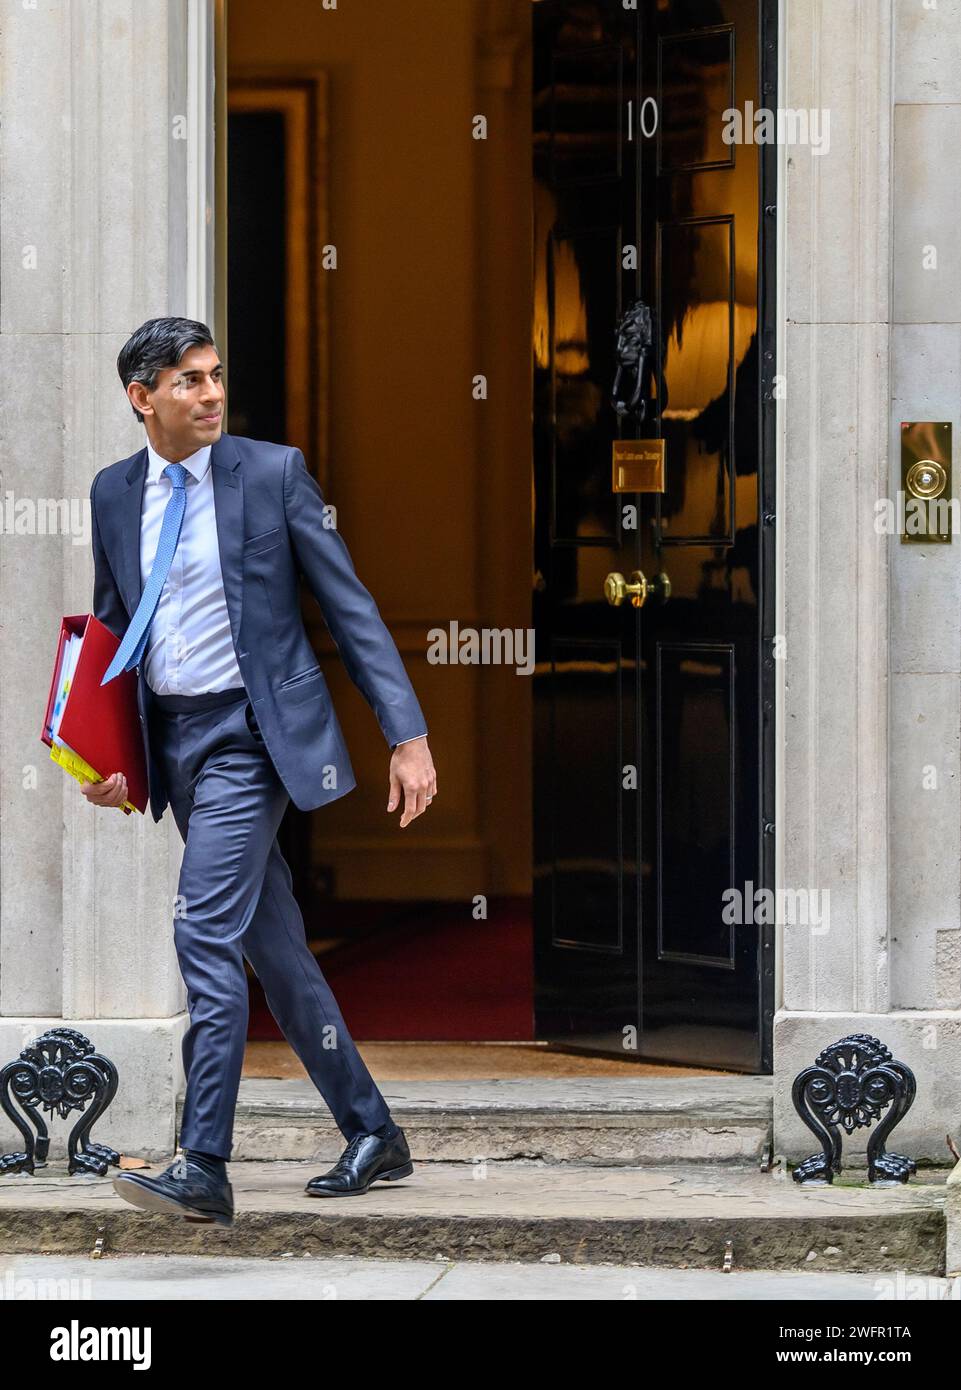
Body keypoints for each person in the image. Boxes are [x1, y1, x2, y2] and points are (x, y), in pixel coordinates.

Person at [82, 316, 436, 1227]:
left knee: (203, 930)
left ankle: (203, 1161)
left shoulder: (271, 474)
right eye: (188, 381)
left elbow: (347, 603)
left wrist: (406, 732)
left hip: (255, 736)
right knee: (270, 944)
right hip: (176, 747)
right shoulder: (115, 493)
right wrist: (110, 762)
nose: (210, 394)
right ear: (141, 397)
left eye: (214, 376)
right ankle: (372, 1130)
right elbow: (113, 635)